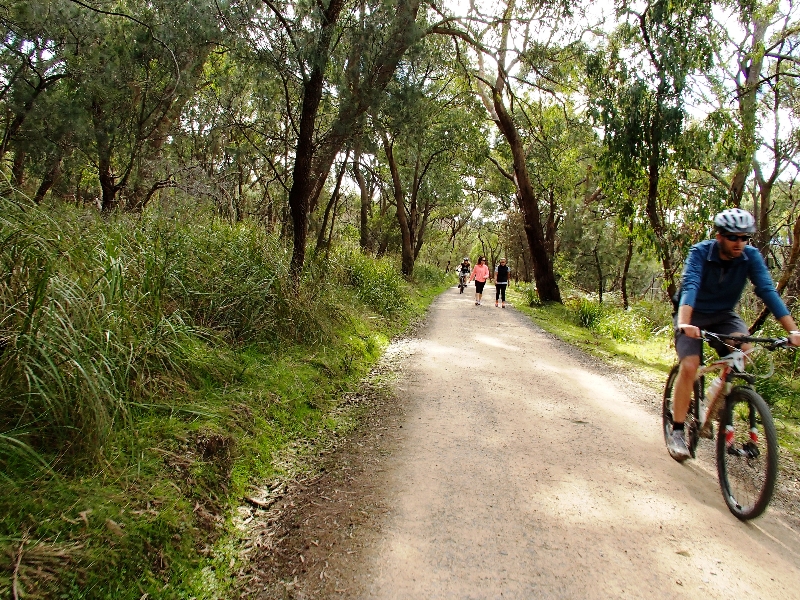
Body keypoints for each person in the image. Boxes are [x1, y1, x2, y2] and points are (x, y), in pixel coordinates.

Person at [669, 208, 800, 461]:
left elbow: (767, 291)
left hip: (724, 316)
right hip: (692, 314)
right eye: (733, 237)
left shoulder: (750, 257)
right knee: (690, 365)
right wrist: (685, 323)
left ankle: (715, 404)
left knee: (745, 353)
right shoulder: (699, 252)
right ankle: (677, 430)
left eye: (745, 238)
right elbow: (691, 285)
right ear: (719, 236)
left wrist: (792, 330)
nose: (740, 243)